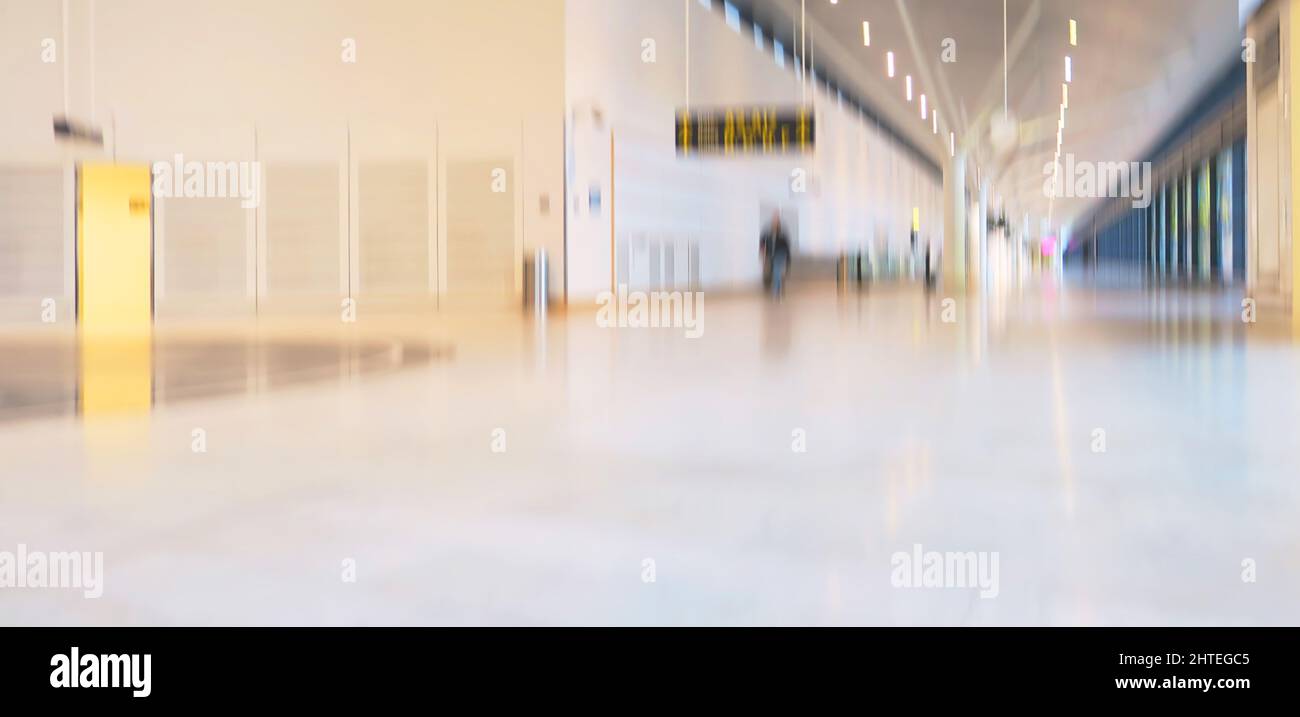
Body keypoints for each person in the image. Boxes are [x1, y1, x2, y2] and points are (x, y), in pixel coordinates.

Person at [759, 211, 791, 299]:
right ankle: (779, 289)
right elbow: (762, 243)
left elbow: (787, 247)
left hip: (780, 255)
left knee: (777, 272)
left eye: (777, 221)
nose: (775, 222)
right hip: (770, 255)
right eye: (774, 220)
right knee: (774, 273)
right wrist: (762, 253)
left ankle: (776, 292)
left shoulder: (782, 234)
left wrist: (788, 259)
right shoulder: (767, 233)